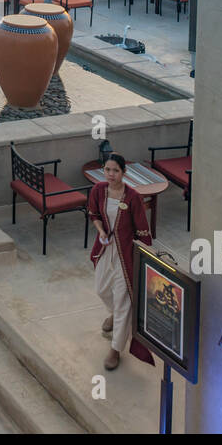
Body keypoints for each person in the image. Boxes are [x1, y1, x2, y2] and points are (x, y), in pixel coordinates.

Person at [88, 153, 154, 371]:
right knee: (101, 288)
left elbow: (144, 232)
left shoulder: (133, 197)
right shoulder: (98, 190)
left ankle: (115, 349)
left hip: (126, 256)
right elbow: (94, 214)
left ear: (124, 173)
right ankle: (114, 313)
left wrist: (142, 259)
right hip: (106, 250)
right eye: (107, 170)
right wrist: (100, 231)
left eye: (115, 170)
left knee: (123, 300)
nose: (111, 174)